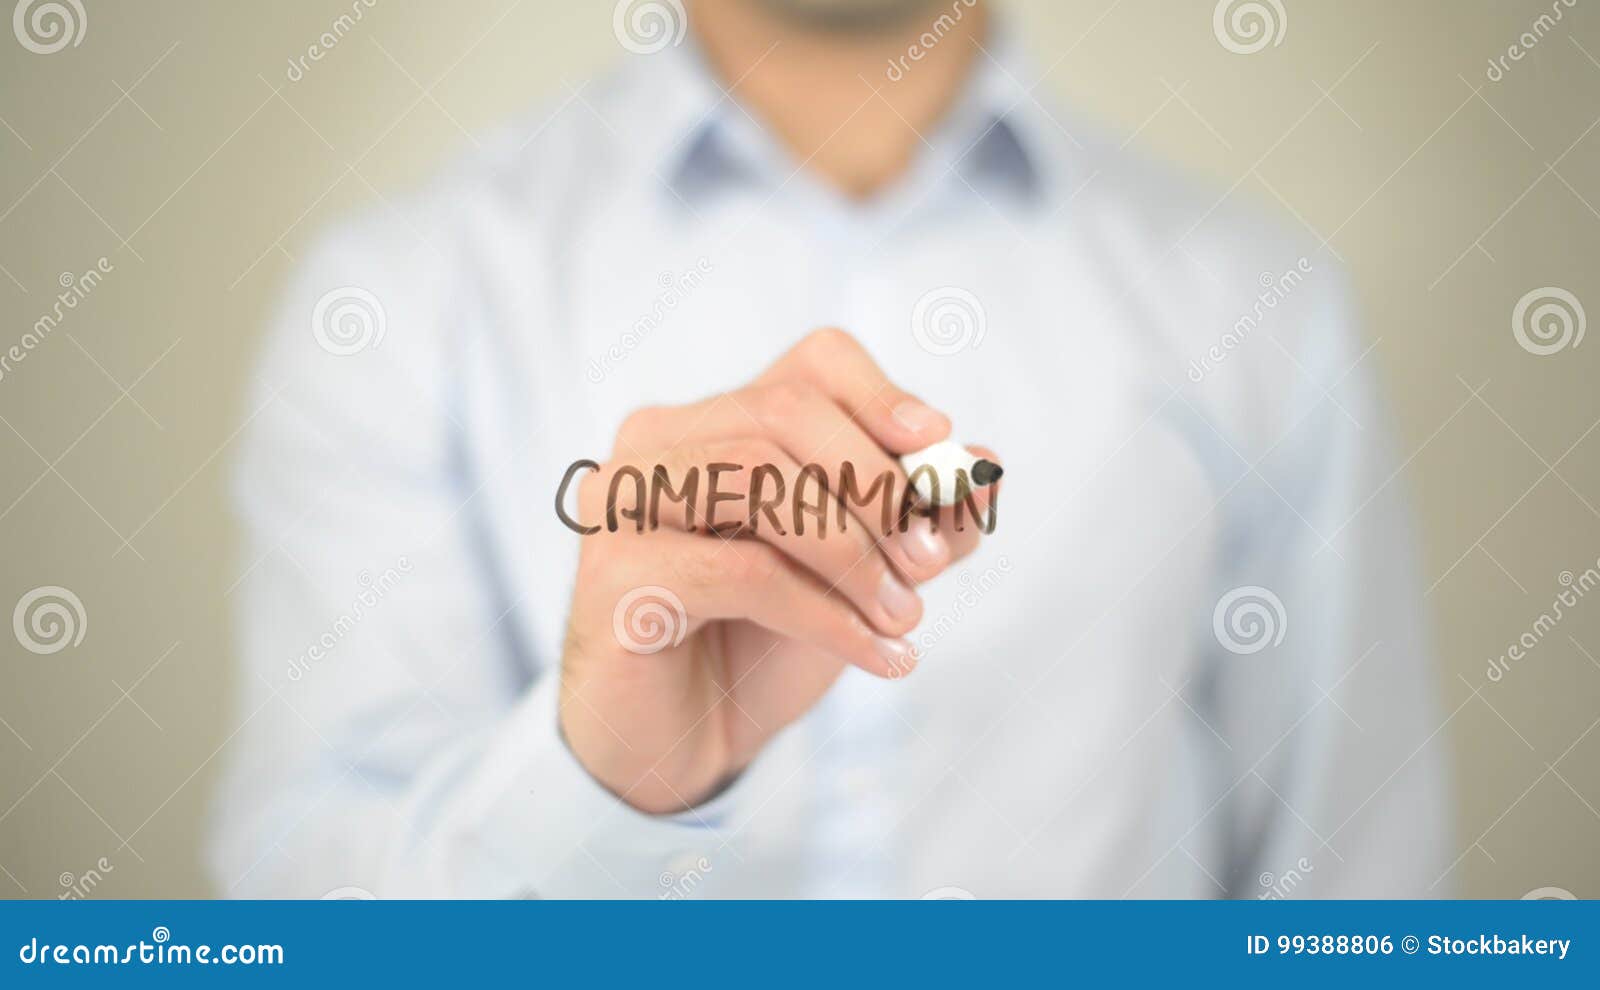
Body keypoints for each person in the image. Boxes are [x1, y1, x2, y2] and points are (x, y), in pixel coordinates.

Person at [209, 0, 1450, 898]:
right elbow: (302, 909)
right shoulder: (398, 296)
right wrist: (598, 788)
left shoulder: (1263, 305)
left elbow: (1356, 891)